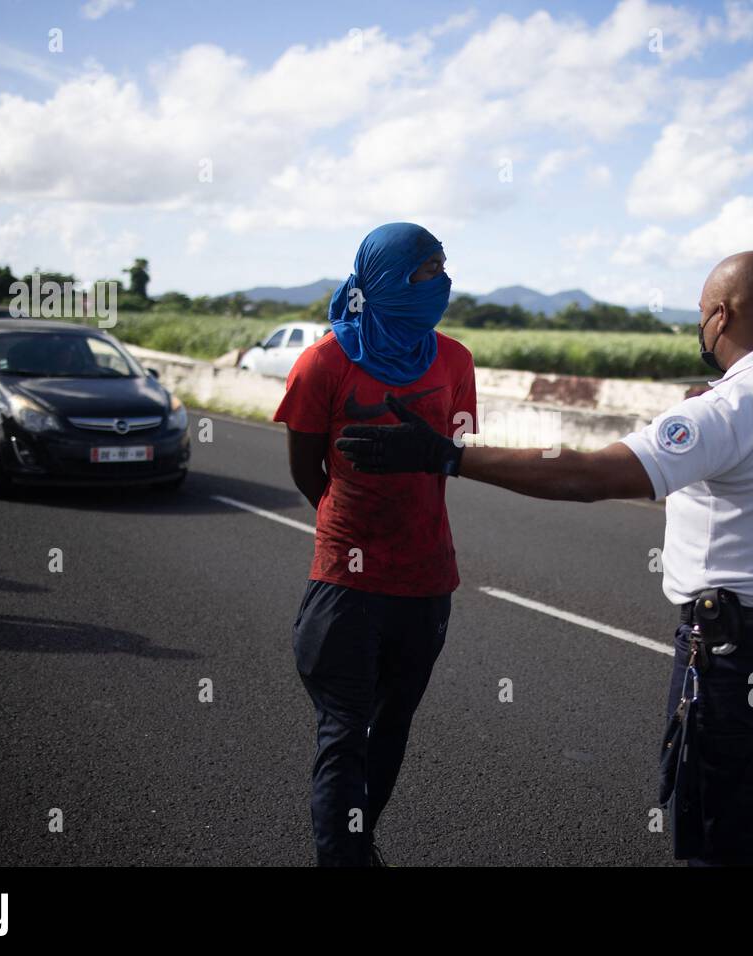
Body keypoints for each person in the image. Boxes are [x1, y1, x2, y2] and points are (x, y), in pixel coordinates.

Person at [336, 250, 753, 866]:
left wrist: (450, 456)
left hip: (735, 649)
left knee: (718, 832)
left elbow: (587, 475)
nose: (701, 327)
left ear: (721, 316)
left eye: (702, 314)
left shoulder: (724, 410)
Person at [274, 222, 477, 867]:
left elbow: (459, 454)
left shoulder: (455, 361)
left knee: (391, 729)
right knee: (344, 735)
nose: (441, 282)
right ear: (386, 279)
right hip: (348, 584)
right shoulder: (323, 362)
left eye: (445, 268)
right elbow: (307, 470)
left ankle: (357, 844)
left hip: (426, 581)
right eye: (426, 270)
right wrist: (347, 522)